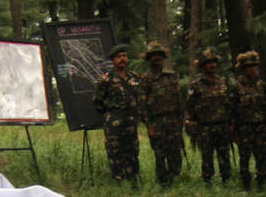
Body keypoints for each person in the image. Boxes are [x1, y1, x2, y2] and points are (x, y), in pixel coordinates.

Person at [137, 42, 185, 186]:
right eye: (153, 56)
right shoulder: (145, 79)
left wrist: (181, 119)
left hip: (173, 120)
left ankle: (175, 177)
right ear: (149, 59)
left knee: (175, 150)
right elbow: (142, 105)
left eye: (159, 56)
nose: (156, 59)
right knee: (160, 153)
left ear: (163, 58)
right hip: (156, 122)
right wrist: (149, 125)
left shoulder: (171, 76)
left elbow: (179, 100)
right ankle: (163, 181)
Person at [92, 44, 141, 184]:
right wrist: (110, 113)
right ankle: (118, 179)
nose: (122, 59)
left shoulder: (134, 78)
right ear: (113, 60)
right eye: (118, 57)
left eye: (124, 56)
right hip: (114, 120)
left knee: (132, 149)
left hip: (131, 120)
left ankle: (134, 178)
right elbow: (97, 100)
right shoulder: (106, 79)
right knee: (115, 151)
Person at [185, 48, 235, 185]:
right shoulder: (195, 85)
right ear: (203, 66)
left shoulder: (224, 82)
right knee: (207, 156)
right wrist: (191, 124)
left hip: (223, 125)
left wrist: (232, 123)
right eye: (208, 63)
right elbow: (189, 106)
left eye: (214, 63)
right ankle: (207, 182)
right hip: (205, 127)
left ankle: (227, 181)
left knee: (224, 155)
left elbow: (231, 104)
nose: (212, 65)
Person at [229, 51, 266, 190]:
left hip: (261, 128)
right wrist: (234, 131)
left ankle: (262, 185)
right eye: (248, 67)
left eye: (254, 66)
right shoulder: (236, 87)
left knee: (262, 158)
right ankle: (246, 186)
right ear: (243, 69)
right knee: (244, 158)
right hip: (244, 129)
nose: (252, 69)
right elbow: (231, 109)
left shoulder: (261, 85)